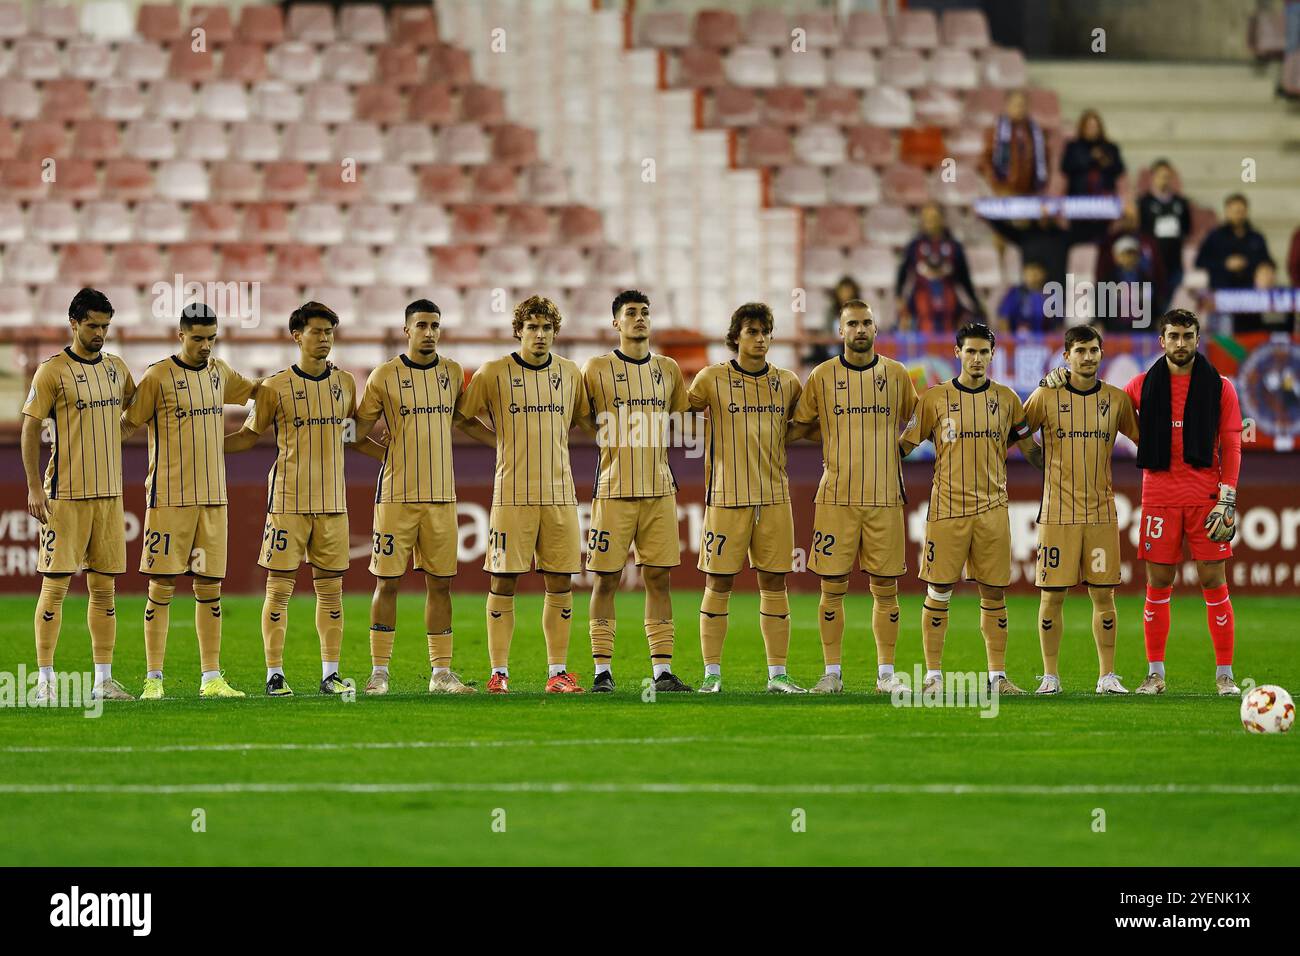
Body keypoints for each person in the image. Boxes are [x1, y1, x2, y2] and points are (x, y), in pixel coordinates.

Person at [1043, 309, 1243, 695]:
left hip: (1206, 500)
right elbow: (1096, 396)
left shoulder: (1221, 387)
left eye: (1188, 336)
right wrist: (1059, 378)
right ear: (1161, 341)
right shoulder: (1138, 386)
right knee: (1159, 583)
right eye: (1174, 336)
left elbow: (1232, 444)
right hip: (1159, 498)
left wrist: (1228, 496)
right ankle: (1155, 675)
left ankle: (1225, 675)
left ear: (1198, 340)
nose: (1181, 343)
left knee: (1214, 582)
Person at [348, 299, 496, 696]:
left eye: (435, 325)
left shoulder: (451, 372)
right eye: (422, 325)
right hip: (396, 496)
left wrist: (505, 444)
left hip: (442, 497)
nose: (430, 332)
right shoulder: (384, 376)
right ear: (406, 330)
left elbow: (464, 419)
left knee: (441, 584)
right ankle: (379, 672)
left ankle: (441, 674)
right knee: (387, 582)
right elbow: (354, 432)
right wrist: (385, 455)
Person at [119, 302, 260, 700]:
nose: (205, 346)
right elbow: (129, 424)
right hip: (169, 497)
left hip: (214, 497)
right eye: (197, 338)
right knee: (161, 585)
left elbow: (257, 392)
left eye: (211, 338)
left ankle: (212, 678)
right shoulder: (158, 376)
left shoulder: (220, 373)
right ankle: (153, 679)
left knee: (210, 587)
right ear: (180, 335)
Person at [899, 322, 1043, 695]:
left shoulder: (1008, 399)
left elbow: (1031, 451)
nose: (977, 359)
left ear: (993, 355)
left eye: (984, 352)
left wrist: (1068, 461)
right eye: (970, 351)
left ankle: (997, 678)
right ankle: (933, 676)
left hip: (993, 510)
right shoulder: (933, 399)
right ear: (957, 353)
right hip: (947, 510)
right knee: (939, 590)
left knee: (994, 593)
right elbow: (904, 446)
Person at [224, 302, 358, 697]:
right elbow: (249, 436)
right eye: (316, 332)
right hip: (287, 501)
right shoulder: (274, 387)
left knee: (331, 591)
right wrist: (206, 448)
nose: (324, 340)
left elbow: (356, 432)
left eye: (329, 332)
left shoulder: (346, 383)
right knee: (279, 588)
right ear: (296, 335)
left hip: (334, 503)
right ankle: (274, 674)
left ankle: (331, 674)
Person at [457, 296, 590, 694]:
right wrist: (497, 441)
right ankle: (499, 673)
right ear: (519, 331)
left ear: (555, 332)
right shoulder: (494, 372)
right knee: (503, 580)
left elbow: (583, 417)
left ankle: (558, 673)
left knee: (561, 581)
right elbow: (462, 415)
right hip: (512, 492)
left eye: (547, 328)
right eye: (532, 327)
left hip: (560, 493)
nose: (540, 335)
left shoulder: (570, 374)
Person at [787, 299, 919, 694]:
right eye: (852, 324)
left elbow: (923, 414)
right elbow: (800, 425)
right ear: (840, 331)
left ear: (876, 330)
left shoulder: (896, 375)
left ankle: (886, 675)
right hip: (836, 497)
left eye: (867, 323)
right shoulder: (822, 376)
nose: (860, 330)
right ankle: (832, 673)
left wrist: (906, 445)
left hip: (885, 497)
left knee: (887, 589)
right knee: (831, 589)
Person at [22, 288, 136, 702]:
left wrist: (114, 436)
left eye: (105, 326)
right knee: (55, 586)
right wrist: (35, 486)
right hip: (64, 494)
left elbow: (132, 410)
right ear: (73, 323)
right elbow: (30, 427)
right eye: (92, 326)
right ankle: (46, 682)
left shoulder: (117, 369)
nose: (100, 333)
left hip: (108, 494)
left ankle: (103, 680)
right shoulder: (51, 372)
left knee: (104, 590)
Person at [688, 302, 806, 693]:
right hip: (726, 495)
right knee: (718, 583)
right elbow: (677, 408)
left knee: (775, 582)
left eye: (766, 332)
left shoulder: (787, 382)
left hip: (774, 496)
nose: (760, 339)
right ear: (735, 335)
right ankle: (712, 675)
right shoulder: (710, 379)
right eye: (752, 331)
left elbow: (803, 425)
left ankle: (778, 676)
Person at [581, 290, 694, 693]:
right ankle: (601, 671)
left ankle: (662, 672)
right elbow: (581, 416)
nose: (640, 318)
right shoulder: (596, 368)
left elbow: (682, 417)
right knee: (606, 579)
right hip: (613, 489)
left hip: (659, 490)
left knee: (659, 578)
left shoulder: (668, 369)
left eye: (645, 312)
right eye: (631, 313)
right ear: (616, 323)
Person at [1022, 326, 1139, 695]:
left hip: (1102, 514)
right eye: (1080, 351)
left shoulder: (1117, 400)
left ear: (1101, 354)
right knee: (1051, 597)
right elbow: (1017, 431)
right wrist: (1039, 459)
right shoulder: (1046, 395)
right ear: (1066, 356)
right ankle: (1050, 677)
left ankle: (1107, 676)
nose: (1088, 357)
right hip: (1057, 514)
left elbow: (1146, 441)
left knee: (1104, 597)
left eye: (1093, 350)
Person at [895, 202, 983, 332]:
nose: (931, 221)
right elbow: (902, 274)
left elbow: (965, 279)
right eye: (927, 218)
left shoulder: (954, 246)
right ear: (922, 221)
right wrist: (899, 298)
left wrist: (976, 304)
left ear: (942, 219)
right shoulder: (914, 246)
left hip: (950, 305)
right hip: (920, 303)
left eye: (934, 217)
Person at [1137, 160, 1191, 311]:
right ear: (1153, 177)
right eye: (1161, 176)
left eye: (1167, 176)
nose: (1164, 180)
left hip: (1174, 259)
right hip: (1152, 260)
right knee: (1152, 296)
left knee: (1169, 297)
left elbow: (1186, 228)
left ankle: (1162, 322)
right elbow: (1141, 230)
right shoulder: (1144, 202)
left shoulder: (1180, 202)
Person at [1194, 194, 1273, 289]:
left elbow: (1267, 261)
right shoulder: (1215, 236)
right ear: (1227, 212)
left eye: (1240, 211)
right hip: (1222, 288)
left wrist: (1263, 269)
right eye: (1234, 211)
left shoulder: (1256, 237)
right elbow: (1200, 261)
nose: (1238, 215)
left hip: (1250, 289)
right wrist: (1225, 263)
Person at [983, 90, 1048, 196]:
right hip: (1004, 190)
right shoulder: (996, 131)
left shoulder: (1036, 131)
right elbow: (986, 160)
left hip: (1031, 191)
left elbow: (1044, 160)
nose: (1019, 108)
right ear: (1007, 106)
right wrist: (996, 184)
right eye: (1016, 104)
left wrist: (1040, 184)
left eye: (1023, 105)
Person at [1095, 234, 1164, 331]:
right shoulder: (1107, 281)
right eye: (1125, 254)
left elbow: (1155, 309)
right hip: (1115, 331)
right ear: (1117, 257)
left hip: (1143, 330)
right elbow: (1100, 311)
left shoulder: (1147, 280)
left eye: (1133, 254)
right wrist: (1100, 324)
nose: (1129, 258)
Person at [1061, 109, 1125, 198]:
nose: (1092, 130)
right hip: (1079, 196)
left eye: (1094, 126)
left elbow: (1119, 169)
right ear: (1082, 127)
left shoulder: (1110, 147)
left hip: (1105, 196)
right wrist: (1090, 158)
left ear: (1100, 127)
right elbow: (1066, 168)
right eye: (1088, 126)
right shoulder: (1073, 147)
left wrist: (1104, 161)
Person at [807, 276, 859, 366]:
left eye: (848, 291)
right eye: (842, 291)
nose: (845, 294)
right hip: (831, 348)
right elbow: (826, 330)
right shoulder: (831, 310)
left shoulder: (859, 310)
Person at [997, 260, 1052, 333]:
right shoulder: (1015, 293)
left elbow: (1058, 326)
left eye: (1038, 270)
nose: (1034, 274)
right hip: (1017, 341)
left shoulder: (1051, 296)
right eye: (1030, 269)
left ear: (1044, 273)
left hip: (1043, 341)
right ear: (1024, 272)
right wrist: (1008, 340)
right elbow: (1003, 319)